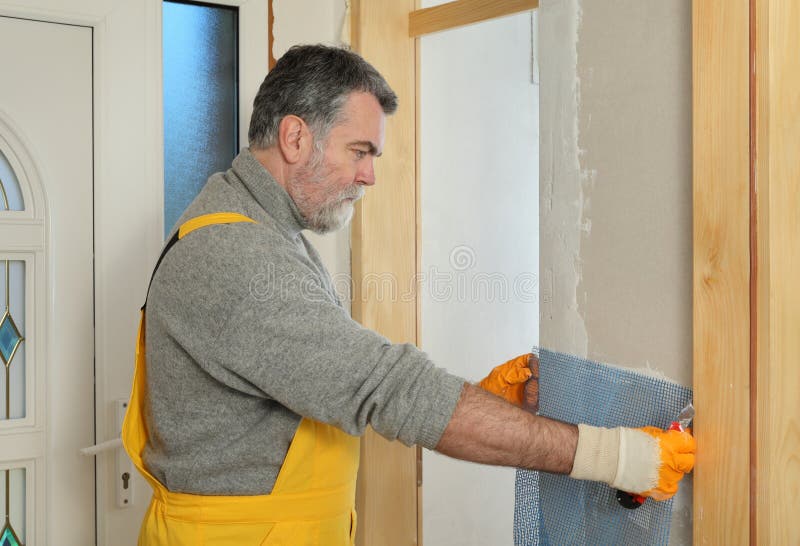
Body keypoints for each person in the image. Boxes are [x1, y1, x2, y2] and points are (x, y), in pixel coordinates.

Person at [122, 44, 695, 545]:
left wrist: (479, 400)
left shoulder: (260, 231)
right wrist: (619, 457)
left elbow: (337, 385)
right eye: (359, 150)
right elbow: (391, 389)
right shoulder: (237, 255)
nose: (369, 176)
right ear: (295, 137)